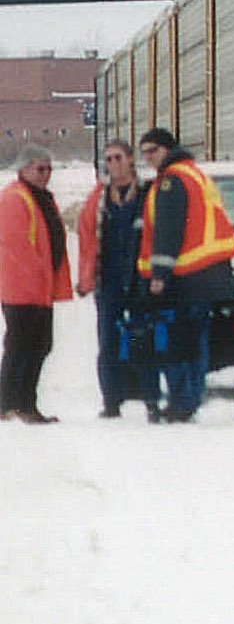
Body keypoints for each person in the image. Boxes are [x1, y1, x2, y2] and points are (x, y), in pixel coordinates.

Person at [136, 128, 234, 423]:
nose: (148, 158)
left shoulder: (171, 181)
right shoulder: (195, 174)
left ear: (168, 149)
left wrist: (159, 274)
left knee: (178, 342)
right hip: (208, 273)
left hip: (188, 275)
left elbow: (168, 230)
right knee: (195, 341)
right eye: (144, 153)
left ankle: (182, 402)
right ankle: (190, 399)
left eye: (153, 151)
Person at [0, 147, 75, 424]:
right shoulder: (15, 198)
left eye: (48, 169)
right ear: (23, 169)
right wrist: (36, 282)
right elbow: (18, 248)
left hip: (39, 289)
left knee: (39, 345)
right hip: (23, 290)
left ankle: (24, 404)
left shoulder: (40, 198)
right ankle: (10, 403)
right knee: (22, 346)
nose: (45, 174)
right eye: (39, 169)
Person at [76, 140, 150, 418]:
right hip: (109, 279)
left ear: (131, 159)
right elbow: (87, 238)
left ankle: (149, 398)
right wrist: (86, 278)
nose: (113, 164)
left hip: (139, 277)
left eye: (118, 157)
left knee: (143, 337)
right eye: (108, 159)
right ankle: (111, 401)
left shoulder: (147, 193)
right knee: (108, 341)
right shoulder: (99, 198)